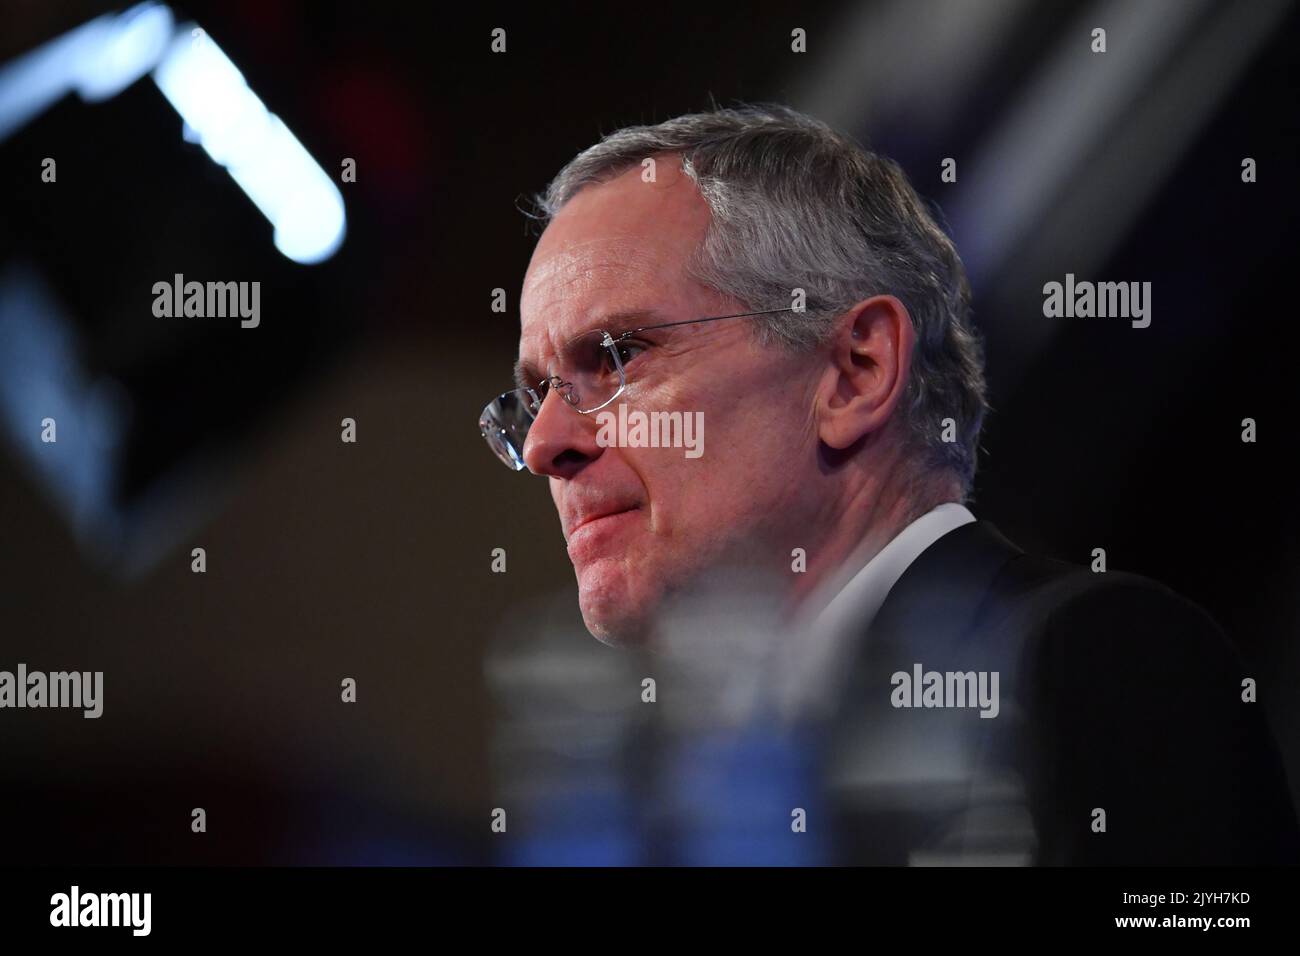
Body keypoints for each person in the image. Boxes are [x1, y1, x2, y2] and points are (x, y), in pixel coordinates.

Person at [478, 104, 1299, 864]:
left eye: (618, 356)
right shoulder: (665, 800)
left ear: (854, 372)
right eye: (533, 395)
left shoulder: (1086, 662)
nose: (547, 442)